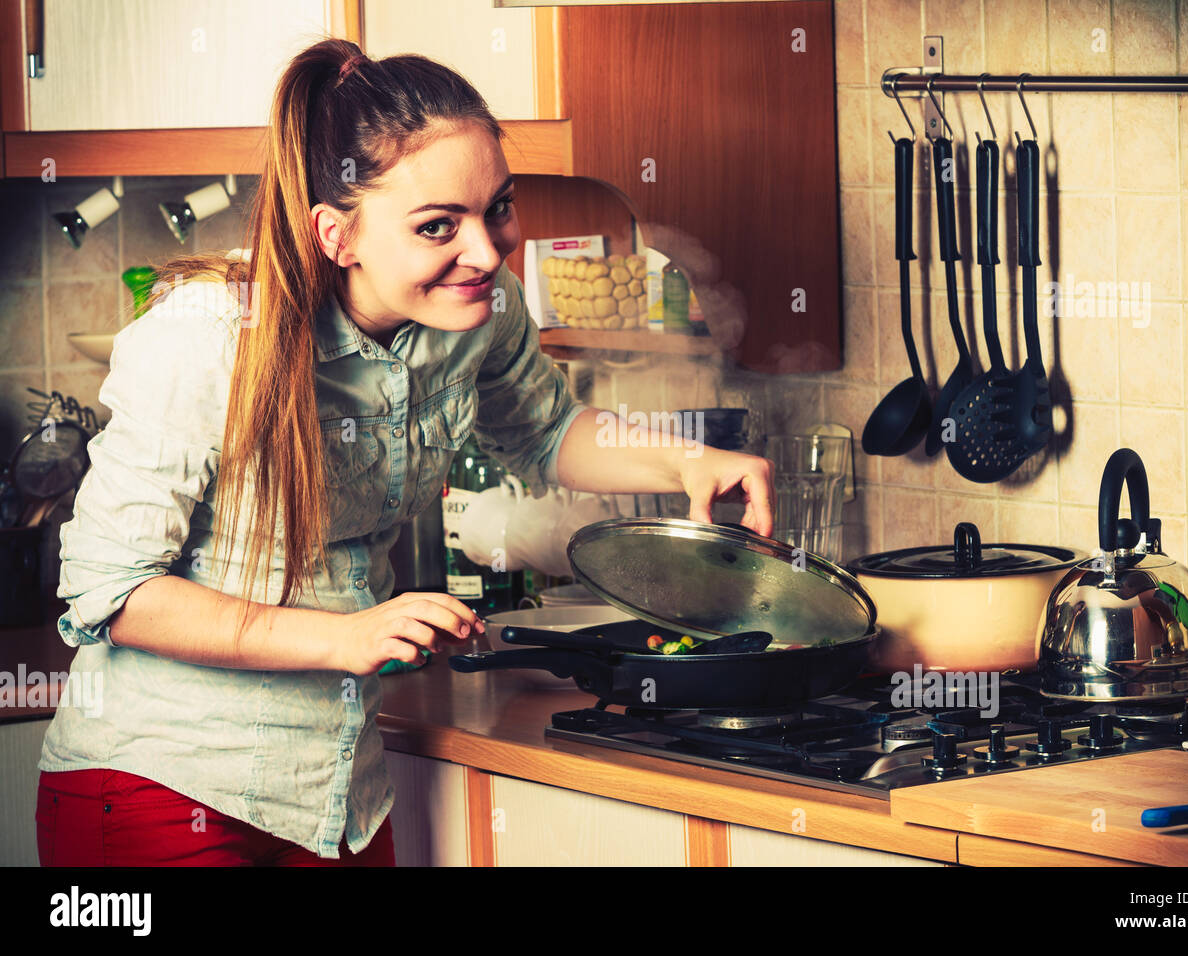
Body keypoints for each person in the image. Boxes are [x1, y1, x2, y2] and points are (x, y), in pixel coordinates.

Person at [34, 39, 773, 867]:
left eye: (499, 208)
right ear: (336, 234)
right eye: (437, 227)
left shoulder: (478, 315)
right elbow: (111, 592)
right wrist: (343, 637)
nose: (489, 254)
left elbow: (547, 432)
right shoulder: (206, 339)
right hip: (158, 789)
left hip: (339, 794)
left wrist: (683, 462)